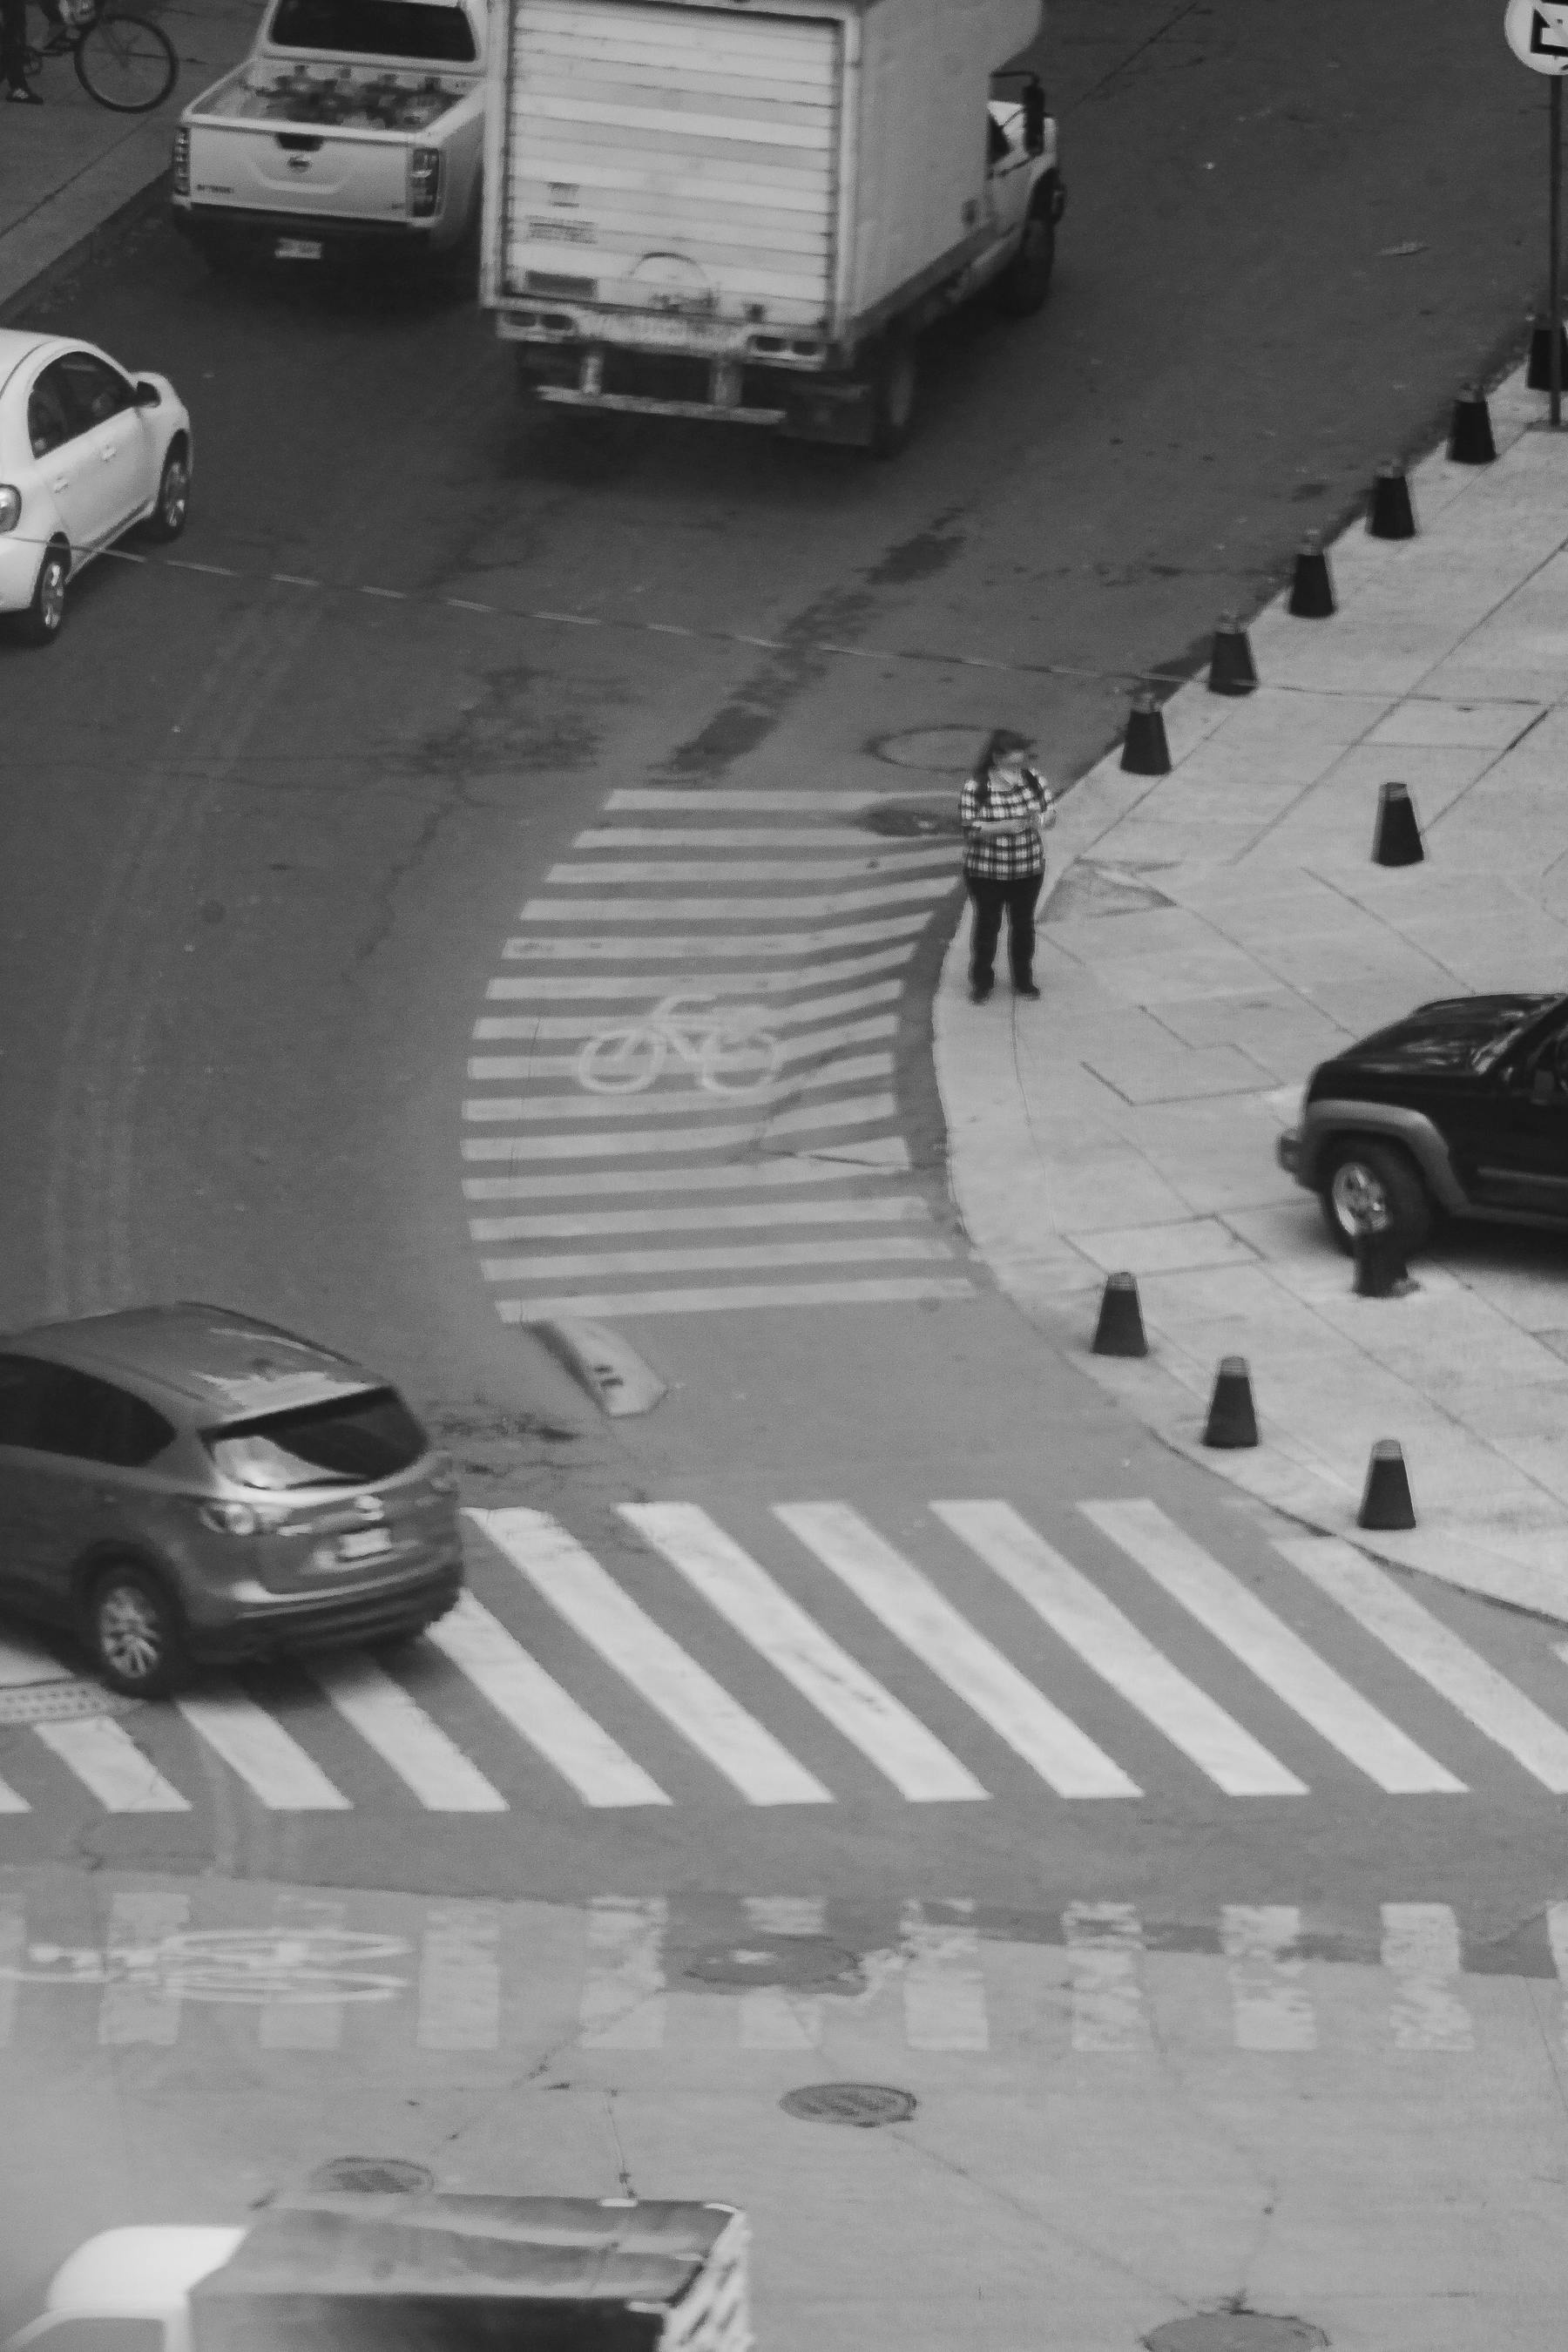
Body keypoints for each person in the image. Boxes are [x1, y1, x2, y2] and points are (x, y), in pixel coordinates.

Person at [959, 725, 1056, 1003]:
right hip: (987, 873)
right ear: (996, 759)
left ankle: (1024, 980)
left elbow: (1051, 814)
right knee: (988, 926)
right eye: (1012, 764)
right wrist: (1003, 827)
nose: (1018, 770)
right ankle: (982, 982)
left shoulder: (1034, 780)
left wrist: (1040, 817)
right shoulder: (977, 787)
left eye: (1021, 762)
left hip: (1027, 870)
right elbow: (969, 830)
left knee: (1023, 926)